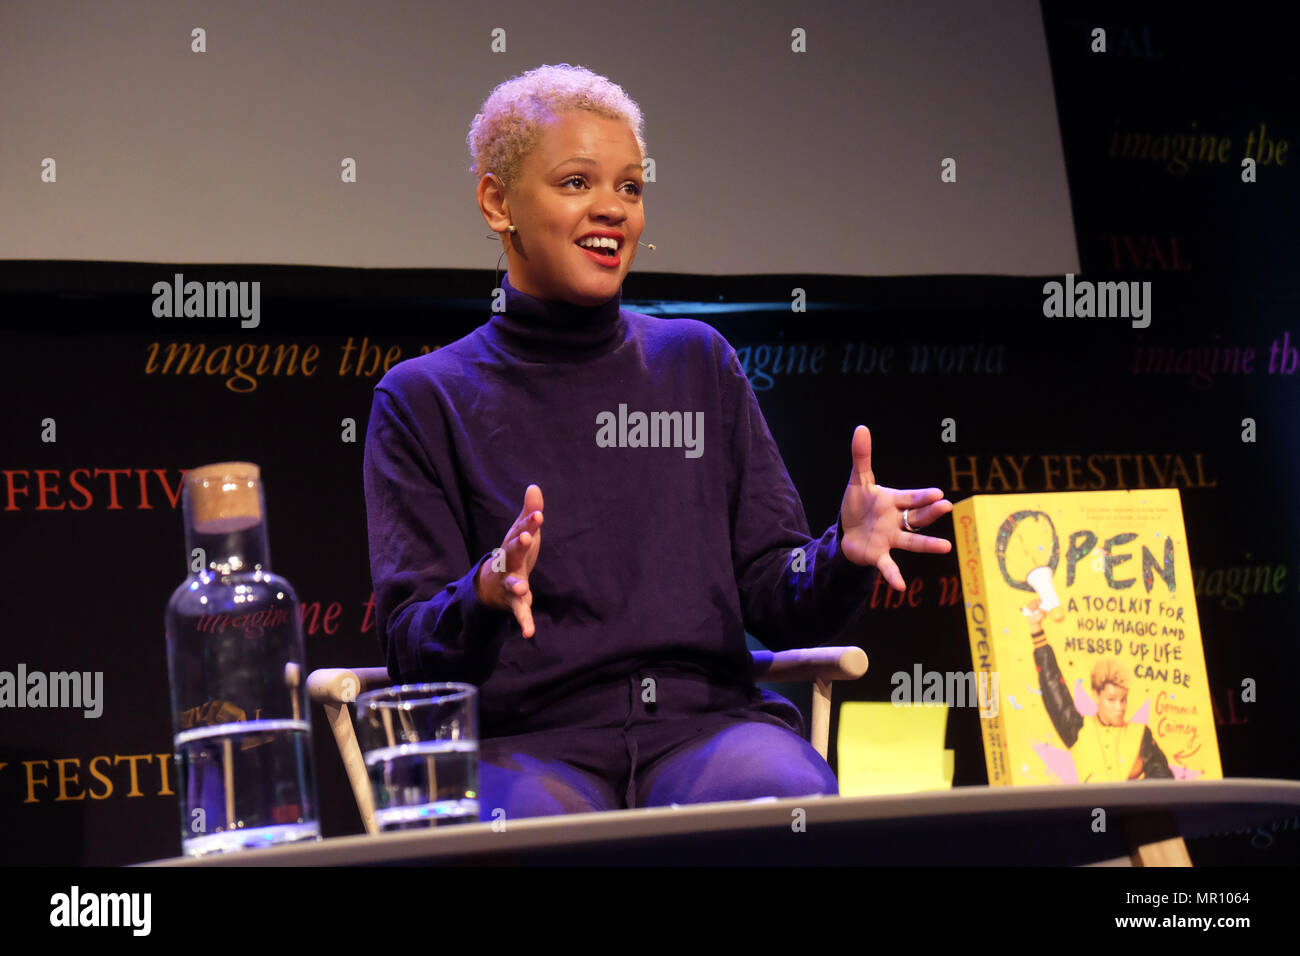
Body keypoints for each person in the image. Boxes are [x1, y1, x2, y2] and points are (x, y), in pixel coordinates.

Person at [362, 63, 954, 821]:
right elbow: (411, 650)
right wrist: (483, 593)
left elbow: (774, 595)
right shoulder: (423, 399)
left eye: (631, 187)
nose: (612, 209)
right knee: (532, 835)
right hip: (526, 743)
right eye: (577, 182)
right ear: (497, 201)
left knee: (787, 801)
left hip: (703, 730)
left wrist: (842, 554)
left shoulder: (697, 363)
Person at [1024, 600, 1173, 781]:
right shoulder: (1078, 730)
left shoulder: (1140, 733)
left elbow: (1163, 776)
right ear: (1096, 696)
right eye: (1111, 700)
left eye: (1123, 699)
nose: (1120, 707)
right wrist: (1036, 627)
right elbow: (1052, 687)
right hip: (1091, 808)